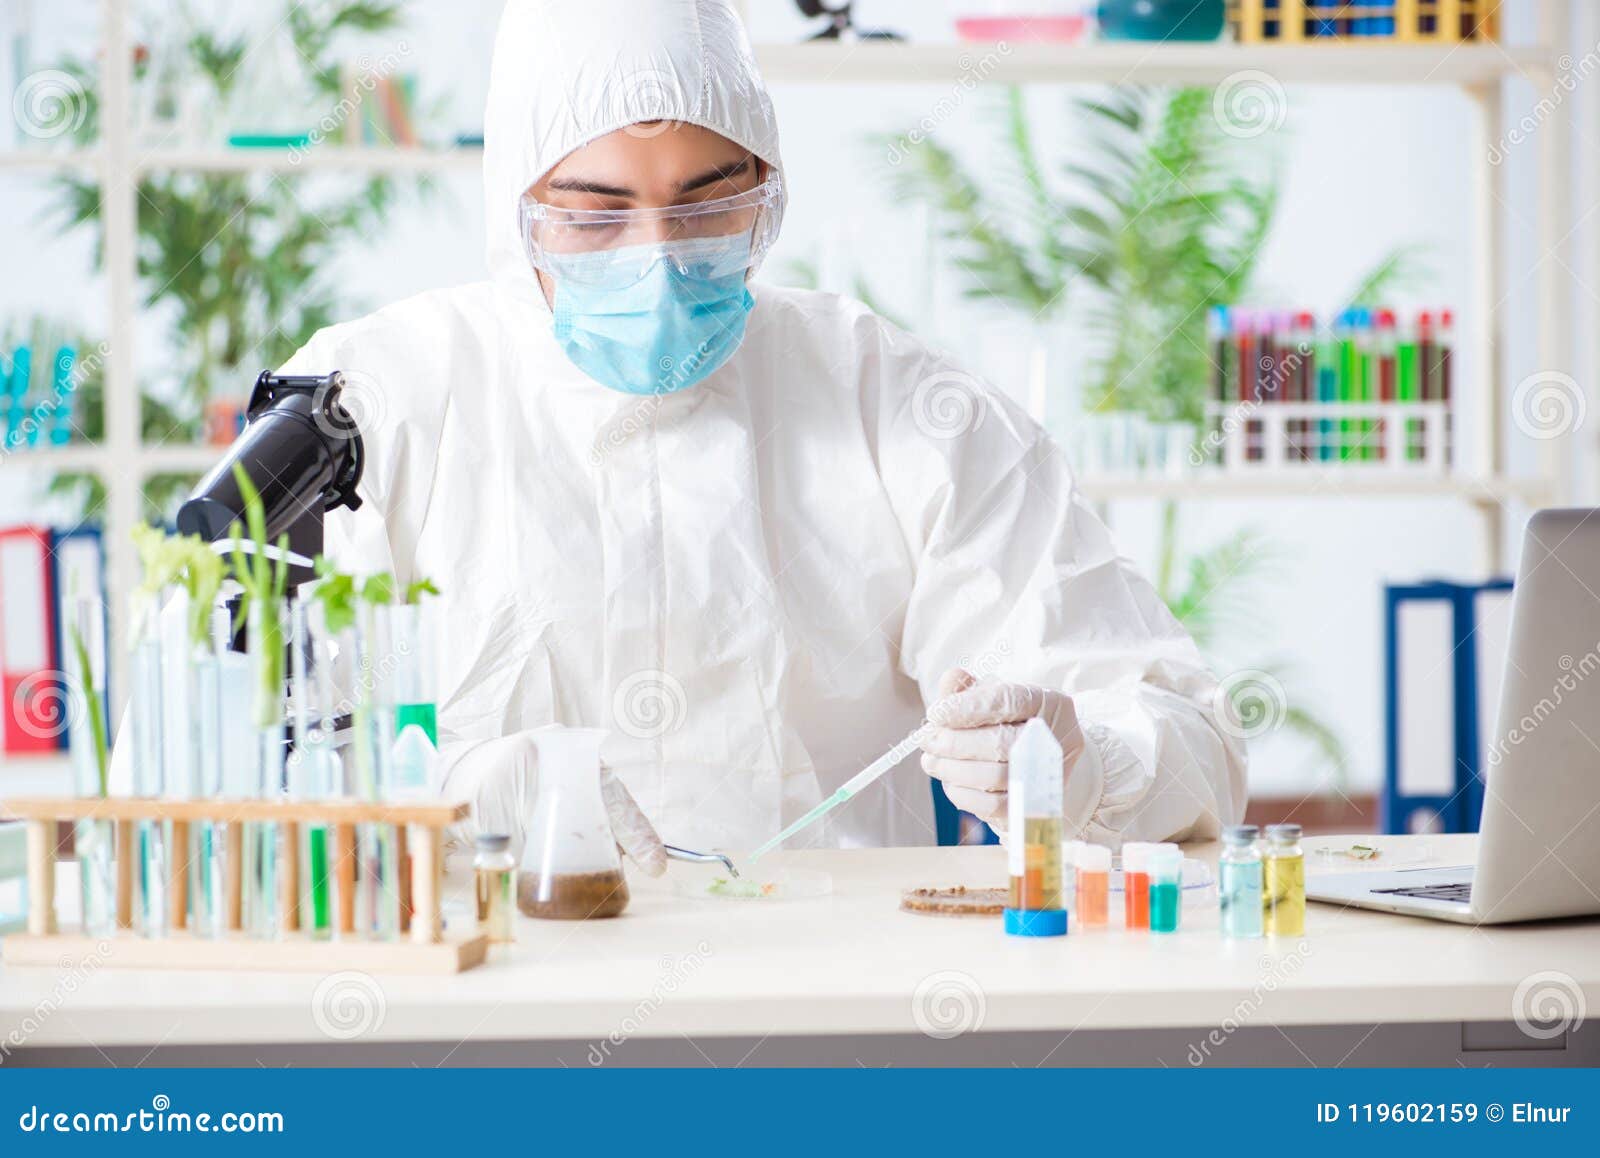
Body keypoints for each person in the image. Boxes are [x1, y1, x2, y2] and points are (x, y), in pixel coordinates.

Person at [279, 0, 1248, 874]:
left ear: (768, 187)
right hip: (484, 1000)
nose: (656, 262)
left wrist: (1084, 764)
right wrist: (453, 798)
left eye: (707, 208)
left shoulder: (900, 406)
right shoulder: (374, 401)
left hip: (826, 1011)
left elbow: (1192, 742)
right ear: (516, 214)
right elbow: (245, 760)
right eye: (593, 215)